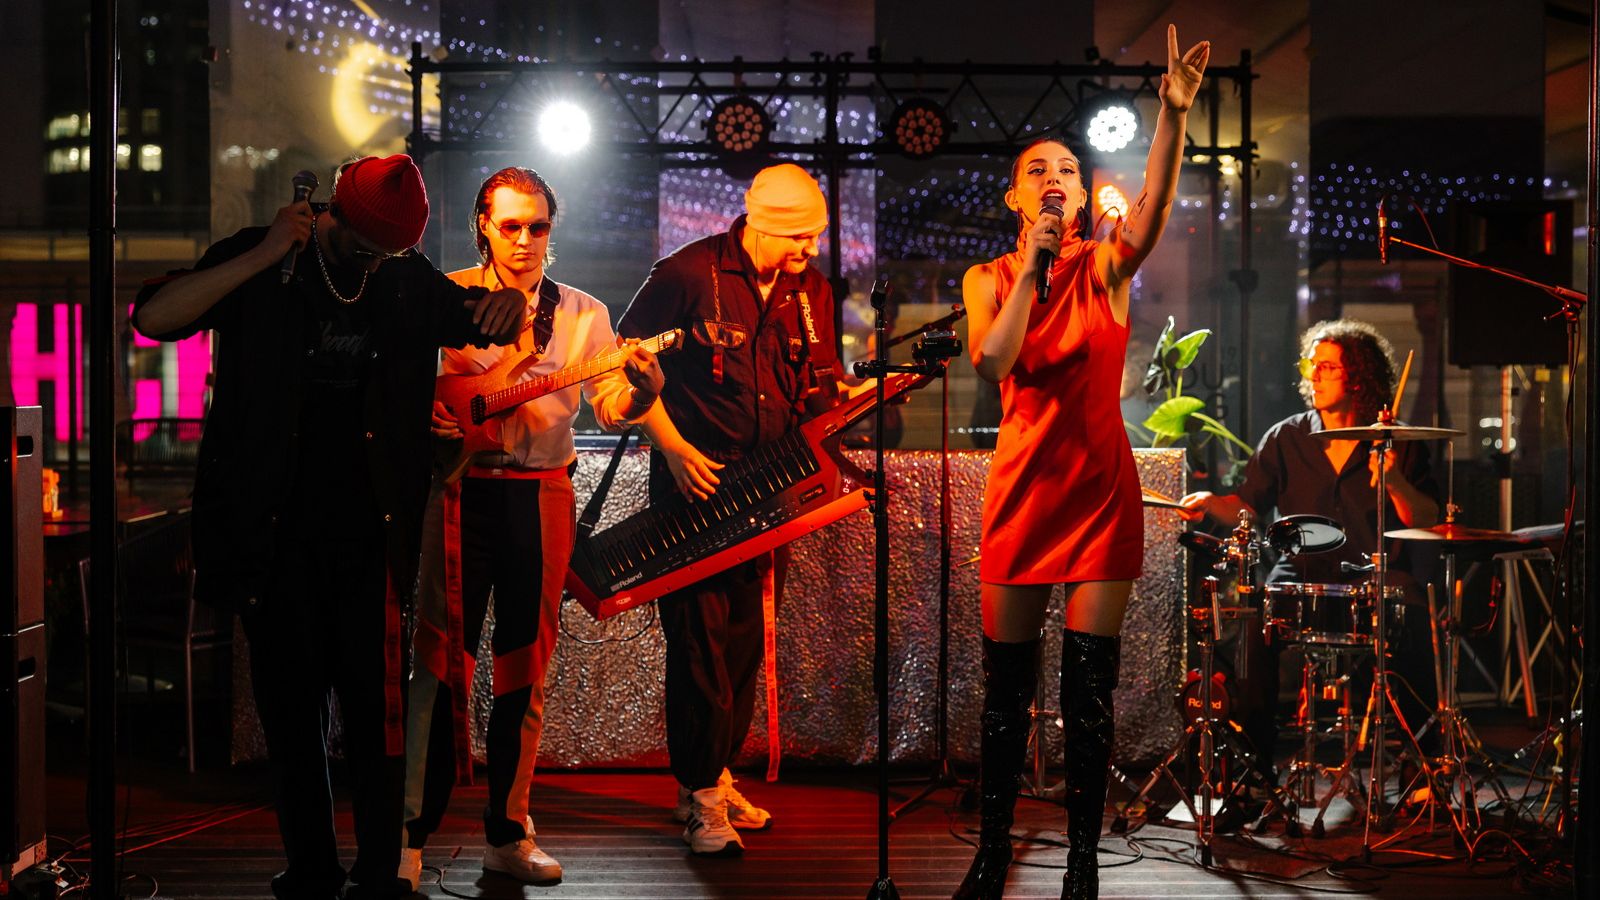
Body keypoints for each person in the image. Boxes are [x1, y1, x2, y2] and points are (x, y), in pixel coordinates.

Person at [133, 154, 527, 900]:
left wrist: (509, 305)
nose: (376, 264)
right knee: (291, 715)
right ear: (333, 215)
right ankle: (311, 870)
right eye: (367, 248)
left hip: (371, 537)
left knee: (377, 718)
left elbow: (488, 320)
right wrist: (263, 254)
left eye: (391, 253)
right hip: (273, 536)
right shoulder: (267, 258)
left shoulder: (404, 278)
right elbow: (154, 318)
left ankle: (380, 872)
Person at [954, 26, 1210, 900]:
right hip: (1024, 492)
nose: (1056, 177)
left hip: (1100, 490)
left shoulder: (1106, 267)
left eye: (1066, 166)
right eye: (1038, 170)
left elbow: (1156, 202)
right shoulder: (990, 278)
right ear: (1015, 196)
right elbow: (993, 361)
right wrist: (1034, 265)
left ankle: (1083, 864)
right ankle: (993, 853)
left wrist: (1173, 113)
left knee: (1088, 694)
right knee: (1006, 694)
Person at [398, 167, 664, 888]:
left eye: (536, 226)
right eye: (510, 225)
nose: (523, 239)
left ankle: (508, 831)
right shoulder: (444, 296)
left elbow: (609, 404)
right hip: (456, 491)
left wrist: (641, 391)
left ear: (552, 229)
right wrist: (425, 415)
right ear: (483, 225)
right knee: (435, 665)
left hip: (540, 493)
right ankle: (408, 835)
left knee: (526, 668)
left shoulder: (583, 313)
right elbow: (401, 385)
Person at [615, 163, 845, 856]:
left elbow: (821, 384)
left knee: (743, 640)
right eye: (799, 236)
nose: (810, 248)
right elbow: (624, 362)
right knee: (698, 643)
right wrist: (674, 449)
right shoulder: (688, 273)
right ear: (762, 226)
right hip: (696, 481)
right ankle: (702, 796)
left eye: (815, 235)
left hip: (770, 488)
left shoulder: (813, 290)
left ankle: (710, 778)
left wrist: (854, 402)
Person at [1178, 318, 1441, 795]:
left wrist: (1395, 482)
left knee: (1413, 618)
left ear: (1357, 376)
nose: (1314, 376)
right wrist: (1212, 503)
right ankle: (1255, 769)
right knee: (1254, 628)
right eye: (1311, 366)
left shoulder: (1396, 440)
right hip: (1299, 572)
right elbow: (1248, 507)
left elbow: (1428, 517)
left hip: (1375, 575)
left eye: (1327, 367)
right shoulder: (1287, 437)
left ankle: (1420, 766)